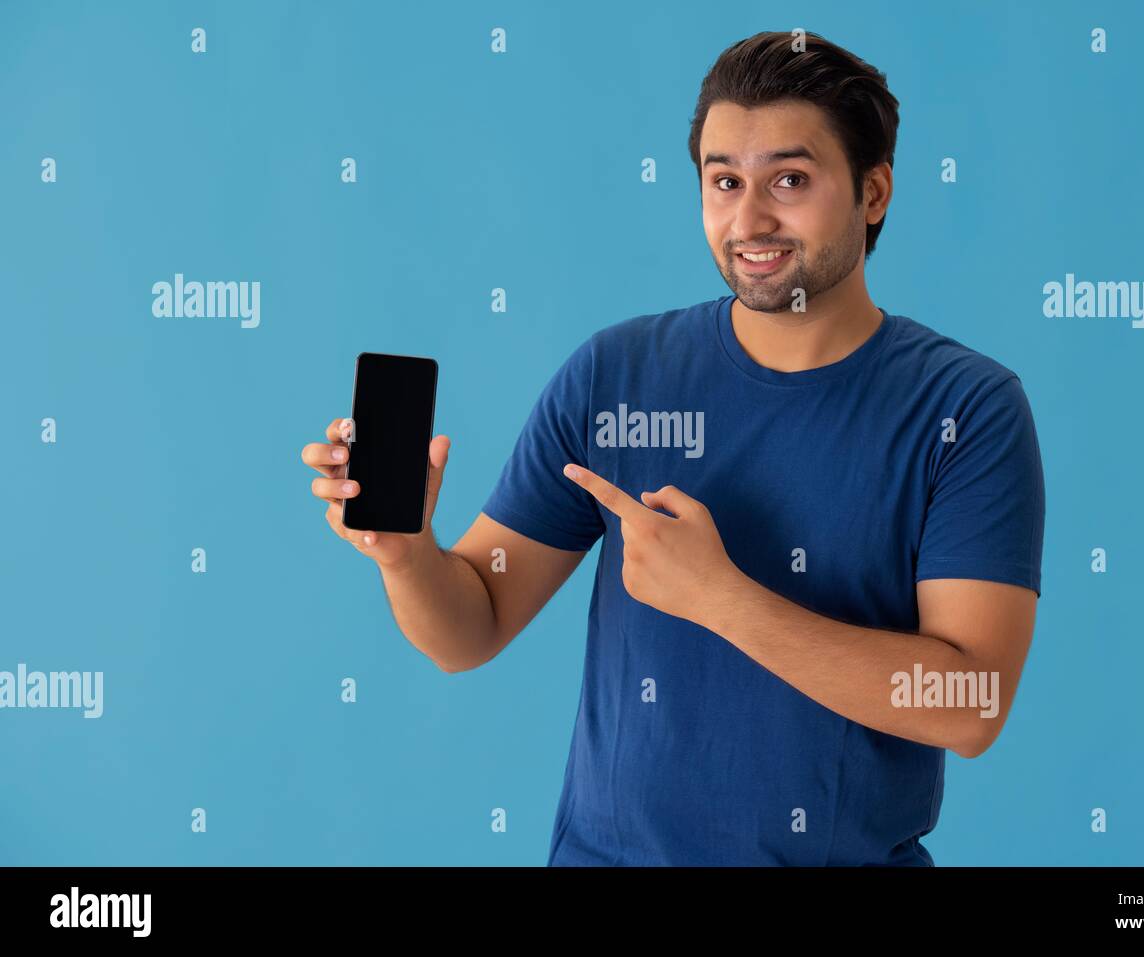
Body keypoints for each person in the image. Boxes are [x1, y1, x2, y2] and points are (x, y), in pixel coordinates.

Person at [301, 30, 1045, 866]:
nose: (750, 218)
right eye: (724, 180)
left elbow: (969, 701)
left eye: (789, 180)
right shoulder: (614, 374)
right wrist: (405, 555)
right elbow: (471, 623)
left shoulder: (966, 408)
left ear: (874, 192)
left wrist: (720, 597)